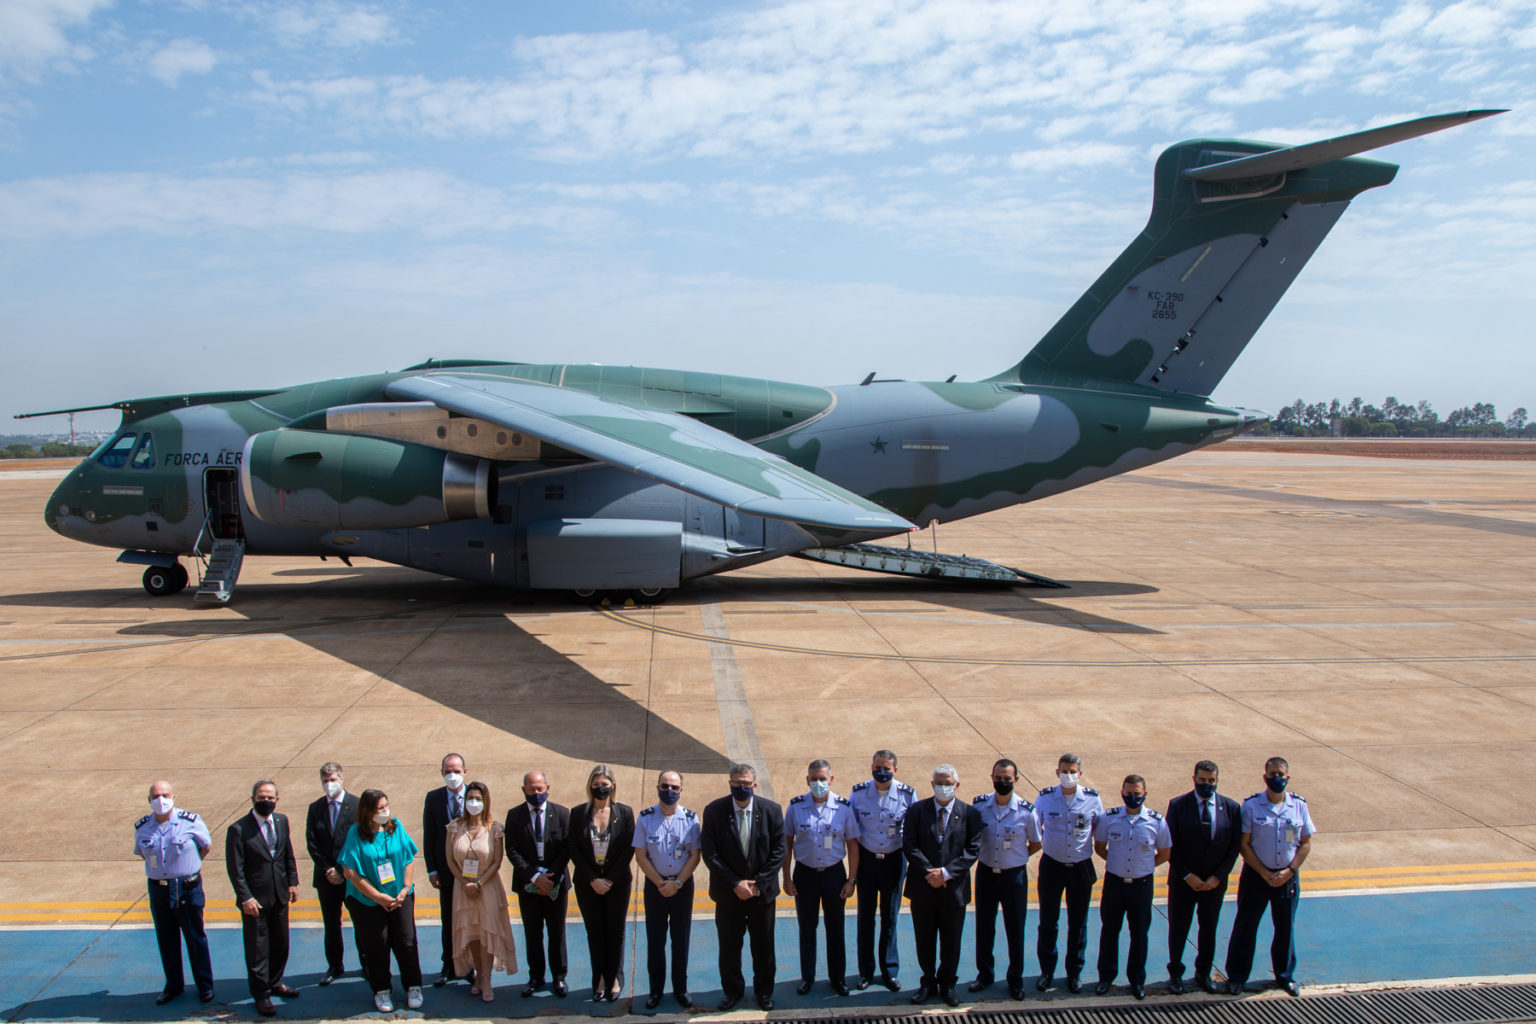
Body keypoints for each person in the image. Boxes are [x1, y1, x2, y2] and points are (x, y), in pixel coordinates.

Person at [1224, 756, 1315, 997]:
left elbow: (1305, 842)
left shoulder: (1298, 806)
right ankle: (1237, 977)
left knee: (1285, 928)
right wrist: (1264, 872)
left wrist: (1290, 871)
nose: (1277, 778)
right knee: (1246, 926)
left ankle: (1284, 976)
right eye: (1272, 774)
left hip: (1287, 877)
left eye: (1281, 774)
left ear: (1288, 777)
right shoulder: (1252, 806)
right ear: (1264, 777)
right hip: (1256, 876)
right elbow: (1243, 844)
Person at [701, 762, 786, 1012]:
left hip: (761, 895)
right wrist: (735, 883)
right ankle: (732, 991)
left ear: (754, 784)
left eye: (746, 783)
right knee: (729, 948)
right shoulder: (714, 811)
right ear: (729, 783)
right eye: (737, 783)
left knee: (763, 948)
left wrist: (757, 883)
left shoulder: (771, 811)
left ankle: (764, 992)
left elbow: (779, 851)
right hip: (729, 895)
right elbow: (710, 853)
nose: (741, 787)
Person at [902, 763, 982, 1007]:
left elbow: (973, 850)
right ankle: (928, 981)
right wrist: (930, 872)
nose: (943, 787)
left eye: (948, 784)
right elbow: (909, 844)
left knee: (951, 940)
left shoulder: (970, 814)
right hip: (923, 887)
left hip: (953, 890)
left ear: (956, 785)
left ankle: (948, 983)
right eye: (939, 783)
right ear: (932, 784)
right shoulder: (916, 810)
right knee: (924, 939)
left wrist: (946, 873)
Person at [339, 788, 424, 1014]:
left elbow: (408, 857)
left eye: (386, 806)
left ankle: (413, 986)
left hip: (399, 896)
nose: (385, 811)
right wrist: (377, 897)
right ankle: (381, 988)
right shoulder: (355, 834)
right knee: (377, 944)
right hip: (368, 901)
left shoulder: (395, 826)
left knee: (406, 941)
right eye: (380, 809)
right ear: (367, 812)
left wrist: (405, 888)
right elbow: (350, 871)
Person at [783, 759, 860, 997]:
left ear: (831, 780)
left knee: (835, 928)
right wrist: (786, 878)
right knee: (807, 928)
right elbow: (786, 844)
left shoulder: (844, 808)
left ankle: (838, 978)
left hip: (834, 875)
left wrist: (851, 880)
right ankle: (807, 978)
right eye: (814, 779)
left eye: (822, 779)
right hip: (804, 875)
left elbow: (853, 846)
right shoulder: (795, 807)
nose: (818, 783)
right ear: (807, 781)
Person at [134, 780, 215, 1006]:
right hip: (159, 889)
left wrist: (186, 867)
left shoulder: (191, 821)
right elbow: (142, 852)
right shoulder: (142, 827)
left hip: (187, 888)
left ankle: (205, 986)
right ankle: (173, 986)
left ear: (173, 796)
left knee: (195, 937)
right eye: (156, 796)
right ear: (149, 800)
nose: (161, 800)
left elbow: (205, 846)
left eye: (165, 794)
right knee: (166, 938)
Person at [1165, 760, 1241, 995]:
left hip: (1213, 884)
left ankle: (1203, 972)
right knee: (1179, 929)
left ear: (1217, 781)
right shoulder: (1178, 805)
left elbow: (1234, 846)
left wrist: (1218, 877)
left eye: (1211, 781)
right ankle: (1176, 973)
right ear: (1194, 779)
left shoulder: (1231, 808)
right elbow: (1170, 845)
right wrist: (1187, 875)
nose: (1206, 784)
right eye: (1202, 780)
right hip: (1183, 881)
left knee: (1208, 929)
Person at [968, 758, 1042, 1001]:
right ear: (992, 778)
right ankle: (985, 974)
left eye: (1007, 779)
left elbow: (1035, 843)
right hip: (987, 873)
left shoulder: (1027, 811)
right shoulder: (979, 807)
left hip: (1014, 877)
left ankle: (1015, 979)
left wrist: (1017, 858)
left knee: (1015, 929)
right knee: (984, 927)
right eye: (998, 779)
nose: (1002, 783)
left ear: (1016, 780)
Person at [1092, 774, 1171, 1000]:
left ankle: (1137, 980)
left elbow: (1165, 853)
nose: (1132, 797)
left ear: (1145, 794)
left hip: (1142, 885)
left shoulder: (1157, 821)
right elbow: (1100, 847)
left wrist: (1145, 866)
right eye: (1128, 794)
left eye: (1137, 794)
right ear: (1122, 793)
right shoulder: (1109, 818)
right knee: (1110, 931)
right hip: (1115, 884)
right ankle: (1106, 977)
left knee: (1139, 934)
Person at [225, 780, 300, 1017]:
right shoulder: (238, 829)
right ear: (252, 799)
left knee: (281, 943)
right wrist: (245, 897)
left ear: (277, 800)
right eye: (261, 797)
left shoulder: (281, 821)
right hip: (255, 900)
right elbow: (235, 869)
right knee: (258, 950)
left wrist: (292, 881)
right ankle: (262, 995)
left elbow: (287, 853)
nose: (265, 801)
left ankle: (275, 981)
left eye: (270, 797)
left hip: (279, 893)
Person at [1033, 752, 1103, 993]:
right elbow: (1034, 828)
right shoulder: (1045, 798)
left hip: (1081, 867)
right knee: (1048, 922)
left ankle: (1074, 973)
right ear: (1057, 772)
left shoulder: (1092, 799)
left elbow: (1097, 830)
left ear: (1080, 774)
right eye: (1064, 771)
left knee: (1078, 924)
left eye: (1073, 772)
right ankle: (1047, 971)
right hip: (1052, 865)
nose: (1069, 775)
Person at [633, 770, 702, 1011]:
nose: (669, 791)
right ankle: (655, 990)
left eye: (674, 787)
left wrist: (678, 884)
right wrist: (660, 883)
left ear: (681, 790)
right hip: (655, 887)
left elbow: (695, 856)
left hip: (682, 887)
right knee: (656, 940)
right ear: (657, 787)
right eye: (665, 786)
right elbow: (640, 855)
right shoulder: (645, 818)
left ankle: (680, 988)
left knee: (680, 940)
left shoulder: (691, 819)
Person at [445, 780, 518, 1003]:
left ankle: (486, 980)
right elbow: (450, 860)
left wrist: (478, 884)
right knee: (473, 934)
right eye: (470, 798)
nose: (473, 803)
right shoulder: (454, 827)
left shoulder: (494, 828)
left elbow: (496, 861)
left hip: (486, 888)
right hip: (462, 889)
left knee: (487, 933)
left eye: (478, 799)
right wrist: (465, 882)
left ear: (485, 802)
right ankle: (478, 975)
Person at [569, 764, 636, 1002]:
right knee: (594, 931)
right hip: (588, 883)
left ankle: (615, 977)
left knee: (615, 931)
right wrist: (592, 879)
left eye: (605, 785)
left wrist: (608, 879)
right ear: (590, 786)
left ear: (613, 786)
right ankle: (599, 977)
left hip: (616, 883)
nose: (601, 789)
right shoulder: (578, 813)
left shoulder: (625, 813)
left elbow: (629, 849)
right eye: (596, 785)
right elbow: (574, 849)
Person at [850, 749, 915, 992]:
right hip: (867, 861)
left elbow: (912, 832)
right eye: (877, 767)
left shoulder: (908, 795)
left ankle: (889, 970)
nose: (882, 772)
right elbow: (853, 834)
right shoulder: (858, 793)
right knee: (865, 918)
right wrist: (853, 873)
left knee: (890, 917)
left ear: (895, 770)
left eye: (887, 768)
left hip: (893, 861)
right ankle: (865, 971)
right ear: (871, 767)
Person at [505, 769, 572, 997]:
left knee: (556, 932)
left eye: (540, 789)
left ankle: (559, 977)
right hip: (528, 885)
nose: (536, 793)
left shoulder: (562, 814)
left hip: (556, 884)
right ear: (524, 790)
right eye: (532, 789)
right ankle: (536, 976)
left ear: (548, 789)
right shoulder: (514, 816)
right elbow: (512, 850)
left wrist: (550, 878)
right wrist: (535, 877)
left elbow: (567, 847)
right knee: (532, 933)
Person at [305, 761, 360, 986]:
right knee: (331, 924)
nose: (329, 784)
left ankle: (366, 964)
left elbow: (358, 841)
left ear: (342, 779)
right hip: (326, 877)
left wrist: (342, 870)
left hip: (351, 877)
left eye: (333, 780)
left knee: (361, 921)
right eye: (326, 781)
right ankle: (335, 966)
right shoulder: (315, 808)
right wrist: (328, 869)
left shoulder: (356, 805)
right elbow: (312, 842)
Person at [422, 753, 471, 988]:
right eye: (448, 771)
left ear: (465, 771)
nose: (452, 775)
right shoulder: (433, 798)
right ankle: (449, 965)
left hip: (471, 870)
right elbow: (429, 835)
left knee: (471, 918)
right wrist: (432, 870)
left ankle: (470, 964)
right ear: (442, 773)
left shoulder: (476, 795)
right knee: (449, 918)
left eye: (457, 771)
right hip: (445, 870)